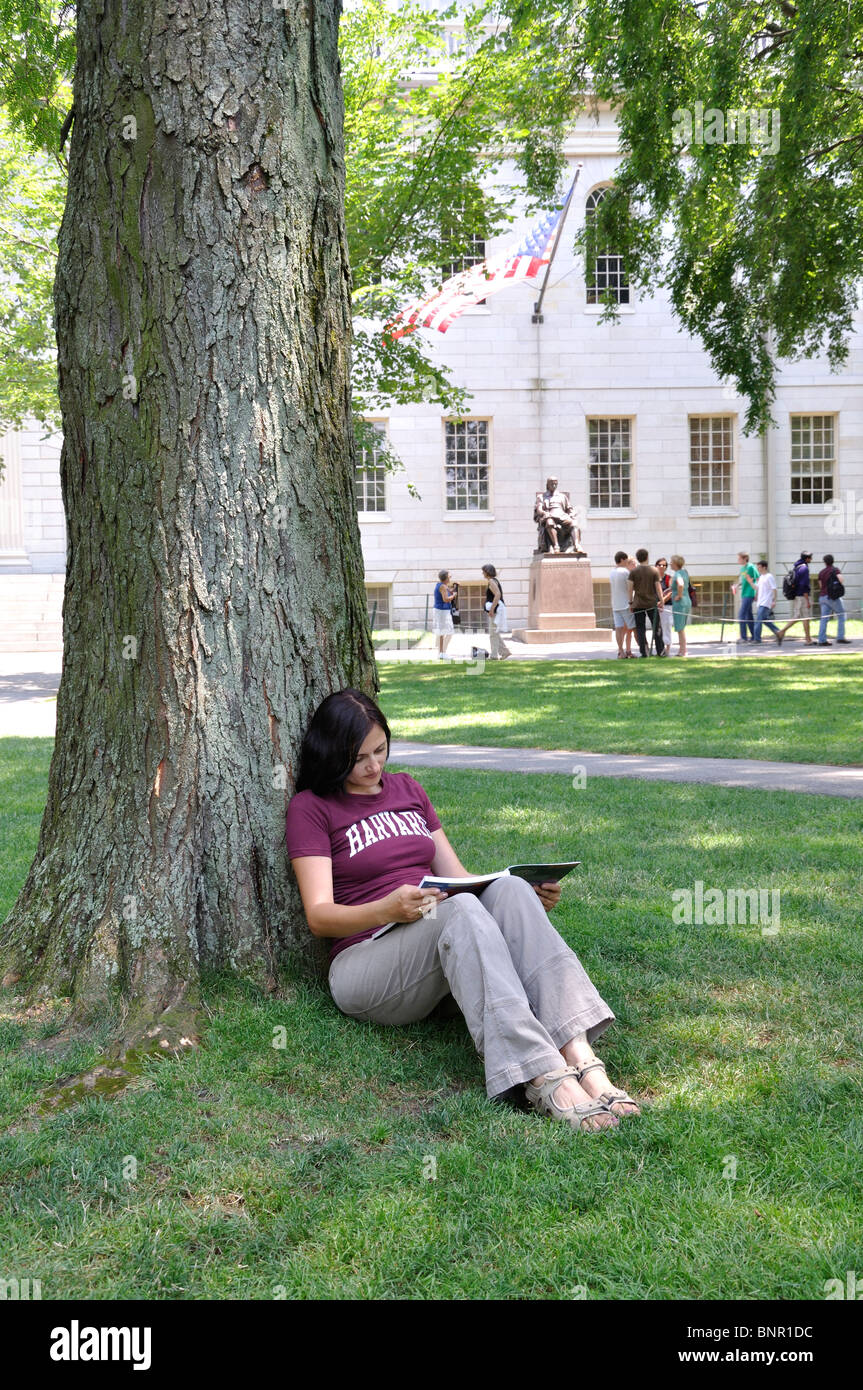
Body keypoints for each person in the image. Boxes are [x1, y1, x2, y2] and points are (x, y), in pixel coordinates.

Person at [285, 689, 640, 1131]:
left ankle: (579, 1054)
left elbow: (458, 878)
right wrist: (385, 909)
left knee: (507, 890)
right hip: (366, 962)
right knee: (459, 913)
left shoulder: (408, 788)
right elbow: (319, 916)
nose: (374, 766)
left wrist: (526, 901)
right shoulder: (311, 808)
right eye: (359, 759)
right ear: (331, 755)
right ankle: (539, 1073)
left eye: (381, 750)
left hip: (434, 943)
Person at [628, 548, 665, 657]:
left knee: (640, 628)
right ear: (647, 557)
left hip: (638, 603)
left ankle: (644, 651)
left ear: (638, 558)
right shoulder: (654, 571)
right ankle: (660, 651)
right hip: (651, 603)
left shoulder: (633, 572)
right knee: (657, 627)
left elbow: (629, 588)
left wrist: (630, 602)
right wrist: (662, 600)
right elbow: (658, 588)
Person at [779, 551, 814, 645]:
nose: (811, 559)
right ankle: (782, 631)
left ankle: (808, 639)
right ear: (807, 559)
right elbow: (803, 585)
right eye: (810, 558)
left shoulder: (797, 567)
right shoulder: (804, 568)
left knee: (800, 617)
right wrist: (807, 600)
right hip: (802, 596)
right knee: (804, 617)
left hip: (797, 596)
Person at [817, 554, 851, 646]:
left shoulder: (821, 572)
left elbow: (820, 586)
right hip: (832, 597)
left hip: (822, 597)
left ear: (825, 562)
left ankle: (822, 640)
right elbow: (841, 580)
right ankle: (840, 637)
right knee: (841, 615)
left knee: (824, 619)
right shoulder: (835, 570)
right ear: (833, 561)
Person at [481, 563, 511, 660]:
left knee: (493, 633)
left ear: (487, 572)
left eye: (483, 571)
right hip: (498, 608)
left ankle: (494, 656)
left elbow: (497, 594)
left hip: (496, 609)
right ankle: (505, 652)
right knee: (495, 632)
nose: (482, 573)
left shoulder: (491, 581)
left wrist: (492, 609)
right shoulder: (494, 580)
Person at [609, 549, 636, 657]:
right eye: (625, 560)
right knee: (634, 628)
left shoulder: (612, 572)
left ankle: (621, 651)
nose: (626, 562)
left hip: (615, 605)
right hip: (626, 604)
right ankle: (644, 650)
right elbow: (630, 587)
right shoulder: (625, 572)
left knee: (618, 628)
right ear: (621, 560)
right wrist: (631, 602)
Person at [731, 551, 759, 641]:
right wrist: (737, 585)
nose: (738, 560)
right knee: (748, 615)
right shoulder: (743, 568)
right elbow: (744, 580)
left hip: (750, 593)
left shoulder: (751, 567)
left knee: (741, 615)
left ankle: (743, 637)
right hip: (744, 593)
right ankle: (754, 636)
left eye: (739, 558)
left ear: (745, 559)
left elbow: (758, 579)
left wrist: (757, 593)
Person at [753, 560, 782, 644]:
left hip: (766, 602)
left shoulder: (769, 576)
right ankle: (779, 632)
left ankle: (757, 639)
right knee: (765, 620)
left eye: (759, 567)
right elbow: (757, 588)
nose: (758, 569)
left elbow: (774, 589)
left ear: (764, 567)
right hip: (760, 602)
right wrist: (750, 582)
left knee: (758, 620)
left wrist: (774, 601)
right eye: (757, 567)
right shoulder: (761, 577)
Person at [669, 554, 692, 656]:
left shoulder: (678, 573)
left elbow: (681, 584)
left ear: (675, 564)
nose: (670, 563)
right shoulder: (684, 572)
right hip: (687, 601)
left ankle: (683, 651)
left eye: (671, 562)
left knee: (680, 628)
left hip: (680, 603)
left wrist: (679, 595)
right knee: (681, 627)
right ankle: (681, 650)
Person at [432, 569, 456, 659]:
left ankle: (441, 653)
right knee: (448, 631)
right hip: (441, 611)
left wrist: (454, 588)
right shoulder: (442, 586)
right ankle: (442, 653)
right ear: (445, 577)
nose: (450, 577)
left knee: (443, 632)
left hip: (442, 611)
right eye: (449, 576)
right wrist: (453, 596)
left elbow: (448, 591)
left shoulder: (443, 585)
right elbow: (445, 599)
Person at [655, 557, 673, 655]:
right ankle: (660, 649)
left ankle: (668, 649)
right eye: (660, 565)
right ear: (656, 566)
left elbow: (670, 592)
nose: (662, 567)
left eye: (664, 565)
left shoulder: (668, 578)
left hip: (666, 606)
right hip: (655, 607)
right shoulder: (653, 578)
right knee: (658, 629)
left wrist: (662, 602)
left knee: (666, 627)